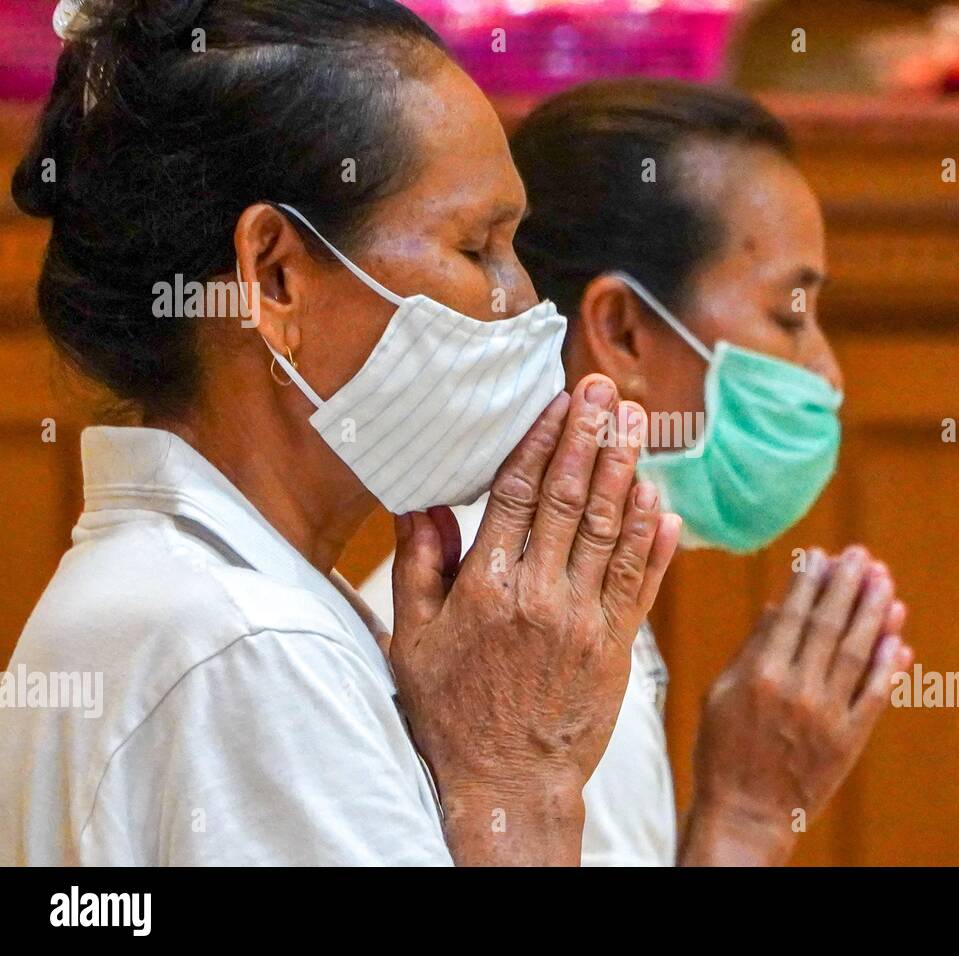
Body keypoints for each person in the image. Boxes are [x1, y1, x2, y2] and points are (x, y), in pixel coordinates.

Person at [0, 0, 678, 866]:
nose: (527, 300)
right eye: (478, 249)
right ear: (277, 277)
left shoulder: (228, 604)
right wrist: (516, 783)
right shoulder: (250, 650)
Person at [361, 79, 916, 866]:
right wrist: (745, 822)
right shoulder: (527, 633)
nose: (827, 375)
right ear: (621, 332)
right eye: (789, 317)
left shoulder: (553, 587)